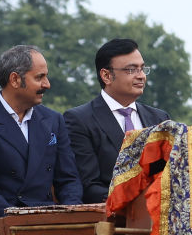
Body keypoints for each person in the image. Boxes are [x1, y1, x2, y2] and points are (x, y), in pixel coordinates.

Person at [0, 45, 83, 218]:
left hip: (48, 218)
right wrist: (23, 221)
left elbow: (69, 180)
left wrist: (72, 213)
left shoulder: (54, 120)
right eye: (40, 77)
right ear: (15, 80)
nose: (47, 84)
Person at [65, 39, 172, 204]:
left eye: (142, 69)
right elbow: (89, 185)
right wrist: (137, 201)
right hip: (111, 219)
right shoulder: (79, 120)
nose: (141, 76)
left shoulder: (159, 119)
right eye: (131, 70)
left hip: (160, 216)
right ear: (106, 75)